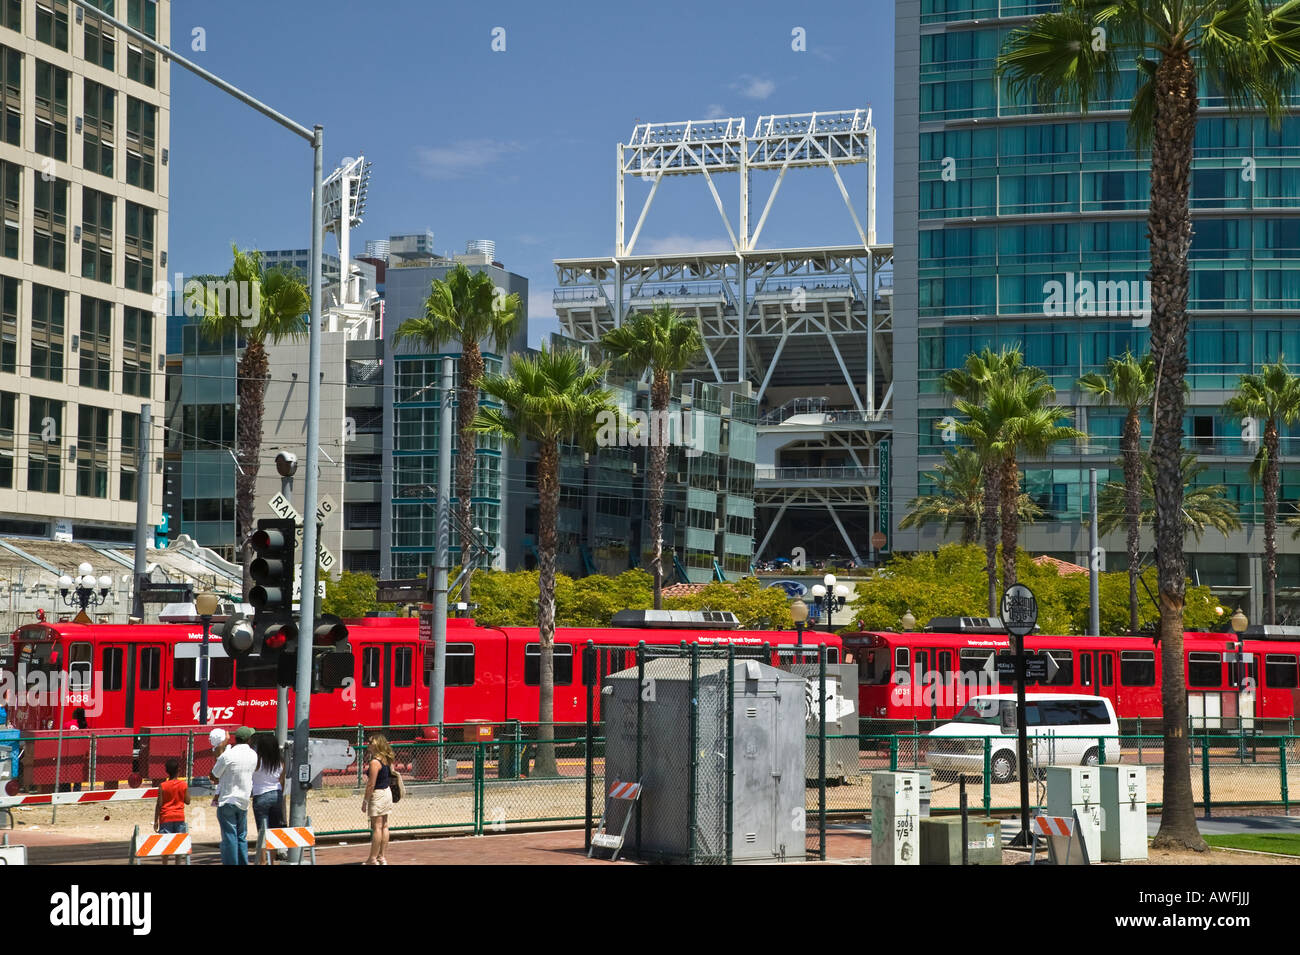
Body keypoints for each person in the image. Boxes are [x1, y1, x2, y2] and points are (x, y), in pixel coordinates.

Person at [210, 726, 257, 865]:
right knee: (241, 836)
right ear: (248, 739)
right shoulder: (253, 755)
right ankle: (243, 862)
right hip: (244, 800)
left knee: (230, 836)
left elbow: (214, 775)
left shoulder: (228, 755)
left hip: (228, 799)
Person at [251, 734, 286, 865]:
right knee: (274, 830)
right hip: (276, 794)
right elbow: (282, 781)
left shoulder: (257, 761)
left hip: (260, 795)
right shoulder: (280, 761)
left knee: (262, 831)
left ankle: (263, 861)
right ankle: (272, 859)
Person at [361, 734, 395, 865]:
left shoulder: (375, 762)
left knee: (376, 827)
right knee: (385, 826)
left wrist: (365, 801)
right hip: (387, 793)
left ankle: (372, 858)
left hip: (378, 794)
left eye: (370, 742)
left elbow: (371, 784)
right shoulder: (386, 758)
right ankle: (382, 857)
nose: (367, 744)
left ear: (376, 744)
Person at [154, 757, 189, 865]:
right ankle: (177, 863)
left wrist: (156, 821)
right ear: (178, 770)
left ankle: (165, 863)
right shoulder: (183, 784)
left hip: (166, 818)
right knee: (178, 844)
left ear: (166, 771)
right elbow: (187, 801)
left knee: (165, 845)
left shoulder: (163, 786)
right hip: (179, 816)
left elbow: (159, 804)